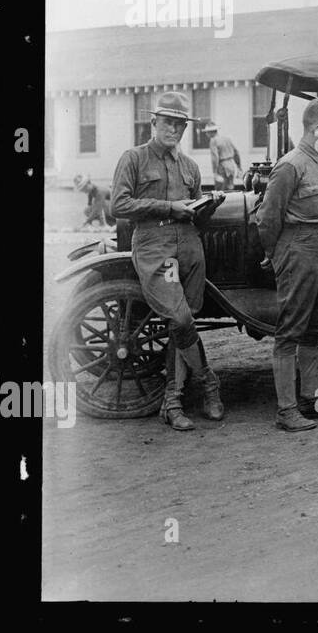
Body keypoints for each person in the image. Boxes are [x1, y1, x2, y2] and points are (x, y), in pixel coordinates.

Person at [110, 91, 224, 431]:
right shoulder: (133, 158)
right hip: (154, 245)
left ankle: (172, 402)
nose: (173, 129)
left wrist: (207, 207)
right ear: (153, 122)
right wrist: (167, 208)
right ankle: (208, 382)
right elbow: (119, 205)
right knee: (180, 317)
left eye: (180, 124)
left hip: (189, 245)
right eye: (168, 122)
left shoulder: (189, 166)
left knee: (183, 321)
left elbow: (196, 216)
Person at [255, 97, 318, 432]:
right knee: (291, 328)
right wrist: (277, 254)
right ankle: (286, 410)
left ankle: (312, 400)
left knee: (317, 325)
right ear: (316, 129)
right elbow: (268, 218)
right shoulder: (291, 165)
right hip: (300, 247)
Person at [205, 122, 242, 191]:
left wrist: (215, 172)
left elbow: (215, 157)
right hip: (231, 166)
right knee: (230, 188)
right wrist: (239, 167)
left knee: (220, 190)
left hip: (222, 166)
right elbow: (236, 152)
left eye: (207, 132)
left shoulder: (213, 140)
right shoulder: (227, 138)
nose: (206, 134)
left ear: (211, 132)